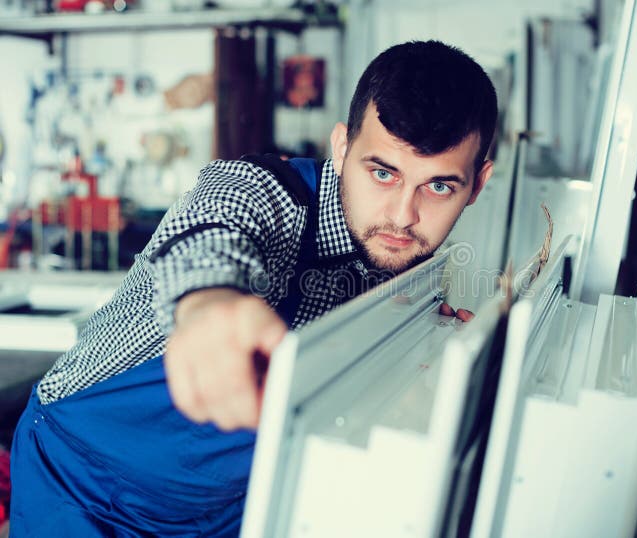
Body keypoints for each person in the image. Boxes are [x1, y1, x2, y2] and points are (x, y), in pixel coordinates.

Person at [9, 40, 497, 536]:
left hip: (225, 509)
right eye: (382, 173)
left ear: (477, 185)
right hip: (78, 481)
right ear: (341, 147)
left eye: (438, 186)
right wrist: (209, 304)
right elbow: (212, 230)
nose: (402, 215)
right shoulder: (265, 193)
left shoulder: (407, 267)